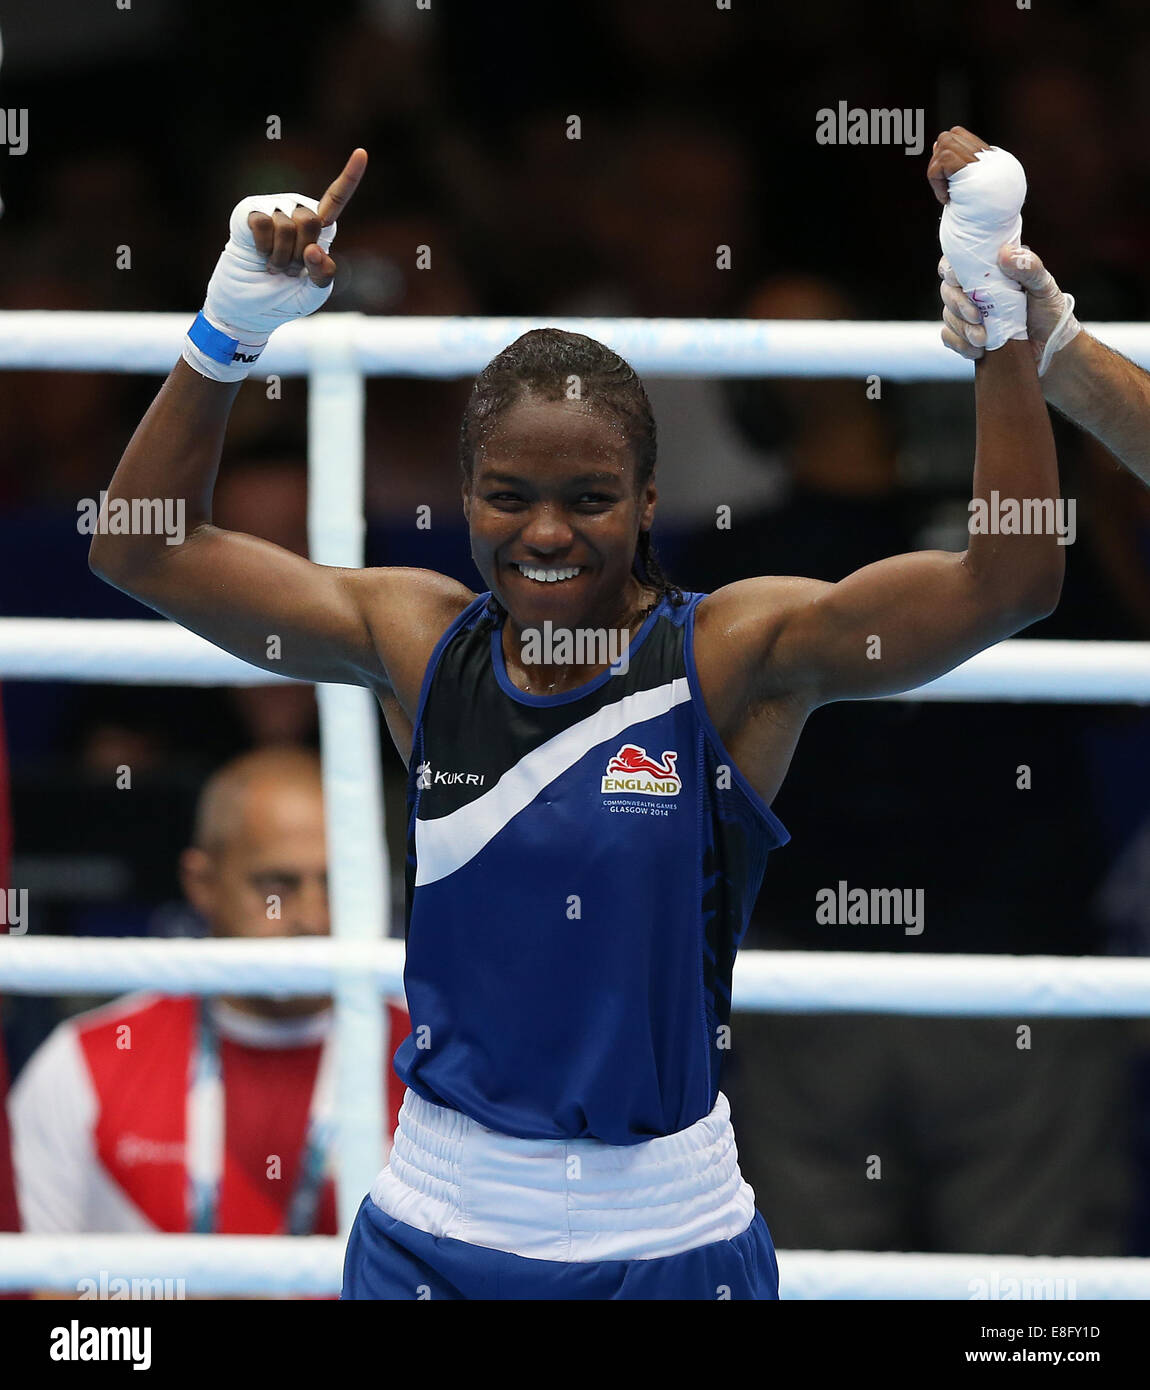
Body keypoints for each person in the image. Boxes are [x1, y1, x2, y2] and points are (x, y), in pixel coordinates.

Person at [89, 131, 1065, 1300]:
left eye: (588, 498)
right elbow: (138, 544)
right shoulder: (418, 643)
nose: (545, 534)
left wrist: (996, 318)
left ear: (648, 499)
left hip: (669, 1232)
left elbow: (1010, 582)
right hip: (432, 1230)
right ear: (465, 498)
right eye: (509, 497)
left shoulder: (728, 658)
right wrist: (230, 324)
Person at [7, 748, 409, 1246]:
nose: (313, 917)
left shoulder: (433, 1063)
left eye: (334, 884)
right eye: (277, 885)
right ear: (202, 883)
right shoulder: (85, 1064)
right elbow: (34, 1288)